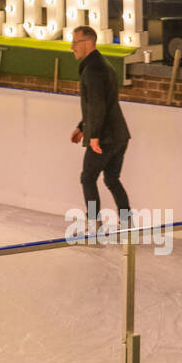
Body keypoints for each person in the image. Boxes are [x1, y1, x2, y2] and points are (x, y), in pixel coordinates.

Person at [69, 25, 133, 229]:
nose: (72, 47)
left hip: (105, 136)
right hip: (119, 134)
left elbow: (97, 104)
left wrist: (94, 135)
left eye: (75, 42)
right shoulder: (102, 64)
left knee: (88, 177)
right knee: (112, 179)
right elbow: (101, 103)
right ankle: (127, 221)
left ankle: (94, 223)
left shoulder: (93, 69)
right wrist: (82, 126)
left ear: (88, 43)